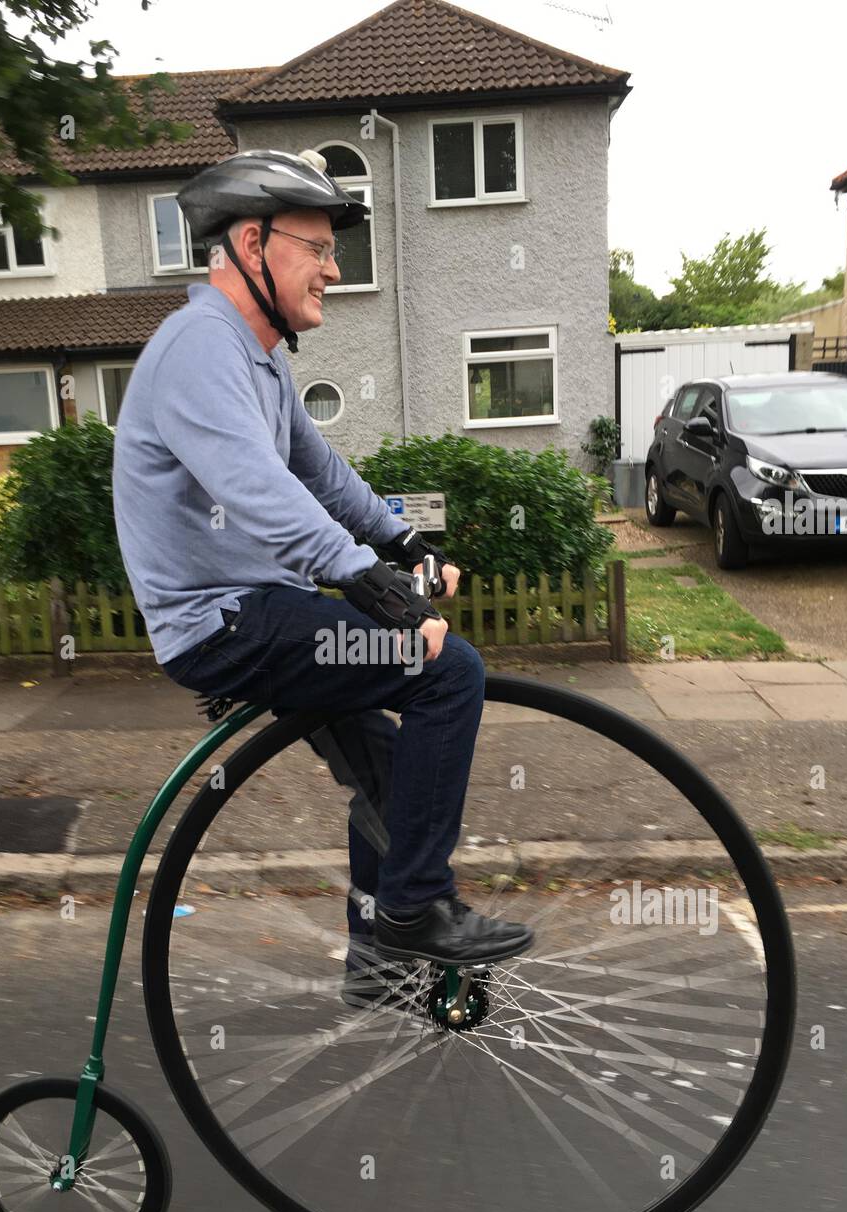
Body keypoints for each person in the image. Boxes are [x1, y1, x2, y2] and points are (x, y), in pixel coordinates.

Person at [112, 148, 533, 1004]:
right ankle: (413, 909)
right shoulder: (200, 348)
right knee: (445, 672)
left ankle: (376, 964)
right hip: (222, 621)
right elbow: (253, 487)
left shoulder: (258, 356)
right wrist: (363, 579)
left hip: (264, 606)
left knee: (385, 767)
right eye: (317, 246)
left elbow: (316, 469)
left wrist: (399, 542)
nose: (335, 270)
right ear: (253, 243)